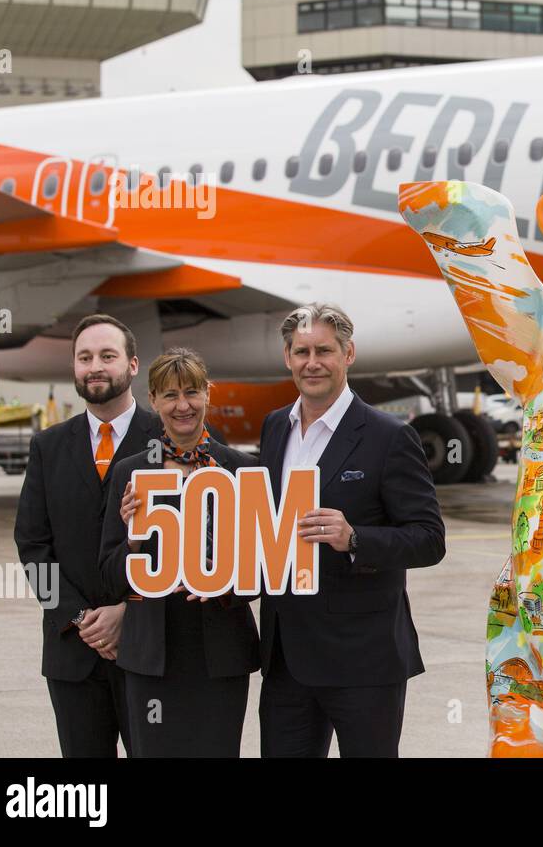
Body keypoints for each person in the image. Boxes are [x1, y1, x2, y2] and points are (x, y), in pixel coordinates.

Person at [257, 303, 445, 758]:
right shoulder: (273, 427)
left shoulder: (388, 436)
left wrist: (354, 538)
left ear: (348, 353)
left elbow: (429, 538)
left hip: (363, 659)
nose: (312, 362)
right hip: (286, 658)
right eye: (301, 351)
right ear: (287, 357)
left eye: (324, 350)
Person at [99, 348, 260, 757]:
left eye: (192, 392)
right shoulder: (130, 472)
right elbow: (109, 573)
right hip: (152, 655)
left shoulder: (242, 469)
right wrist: (134, 538)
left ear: (208, 394)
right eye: (169, 395)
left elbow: (265, 569)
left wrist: (226, 585)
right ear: (152, 400)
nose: (182, 405)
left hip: (221, 653)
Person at [14, 314, 162, 757]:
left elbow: (187, 549)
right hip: (72, 654)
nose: (95, 366)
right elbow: (32, 547)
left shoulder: (166, 438)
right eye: (84, 357)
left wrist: (127, 613)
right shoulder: (48, 446)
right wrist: (81, 619)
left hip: (150, 648)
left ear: (133, 365)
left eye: (107, 356)